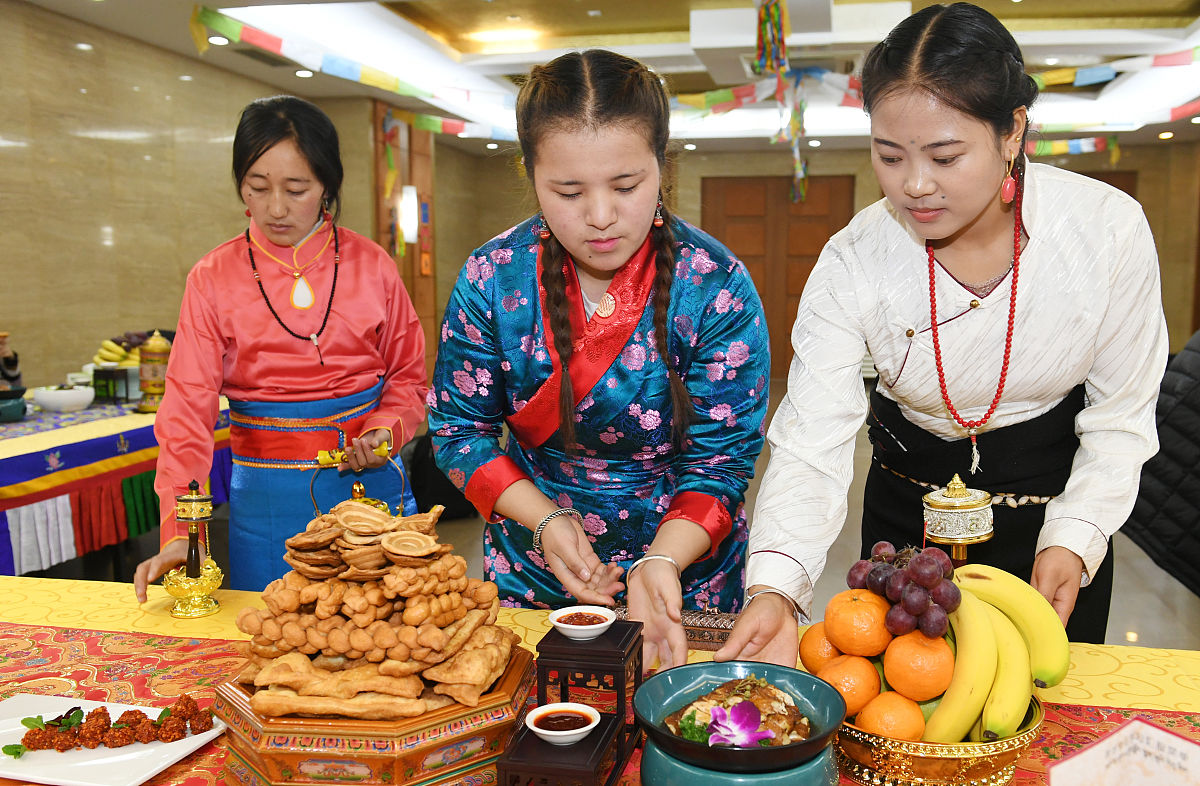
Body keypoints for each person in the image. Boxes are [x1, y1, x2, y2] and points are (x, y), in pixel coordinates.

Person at [716, 2, 1167, 666]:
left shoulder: (1105, 231)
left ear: (1013, 130)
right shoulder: (854, 259)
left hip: (1053, 515)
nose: (914, 185)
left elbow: (1121, 415)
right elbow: (812, 440)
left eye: (945, 155)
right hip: (906, 530)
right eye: (889, 155)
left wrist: (1077, 534)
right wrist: (776, 588)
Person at [426, 49, 770, 671]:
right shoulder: (490, 278)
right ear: (530, 174)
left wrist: (662, 559)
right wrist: (548, 523)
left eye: (627, 185)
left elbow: (724, 459)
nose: (601, 217)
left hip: (684, 568)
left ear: (663, 167)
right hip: (538, 559)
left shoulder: (714, 284)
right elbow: (457, 433)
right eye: (568, 190)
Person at [133, 96, 427, 598]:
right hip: (268, 498)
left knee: (392, 641)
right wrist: (183, 533)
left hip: (371, 487)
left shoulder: (372, 264)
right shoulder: (212, 277)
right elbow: (186, 413)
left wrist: (384, 433)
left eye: (297, 189)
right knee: (275, 648)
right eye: (257, 186)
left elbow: (409, 378)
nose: (275, 208)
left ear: (327, 186)